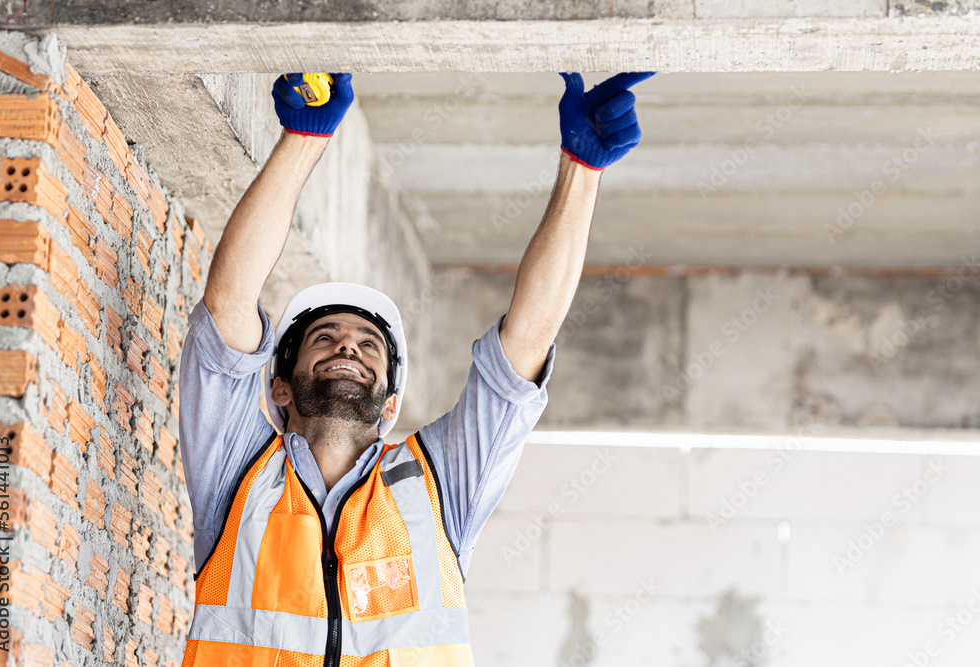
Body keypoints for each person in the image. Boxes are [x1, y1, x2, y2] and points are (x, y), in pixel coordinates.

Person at [179, 70, 654, 667]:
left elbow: (524, 347)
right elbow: (227, 308)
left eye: (368, 347)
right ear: (277, 385)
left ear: (391, 405)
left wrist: (581, 173)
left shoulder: (439, 488)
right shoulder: (236, 474)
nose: (347, 348)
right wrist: (302, 139)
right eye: (324, 338)